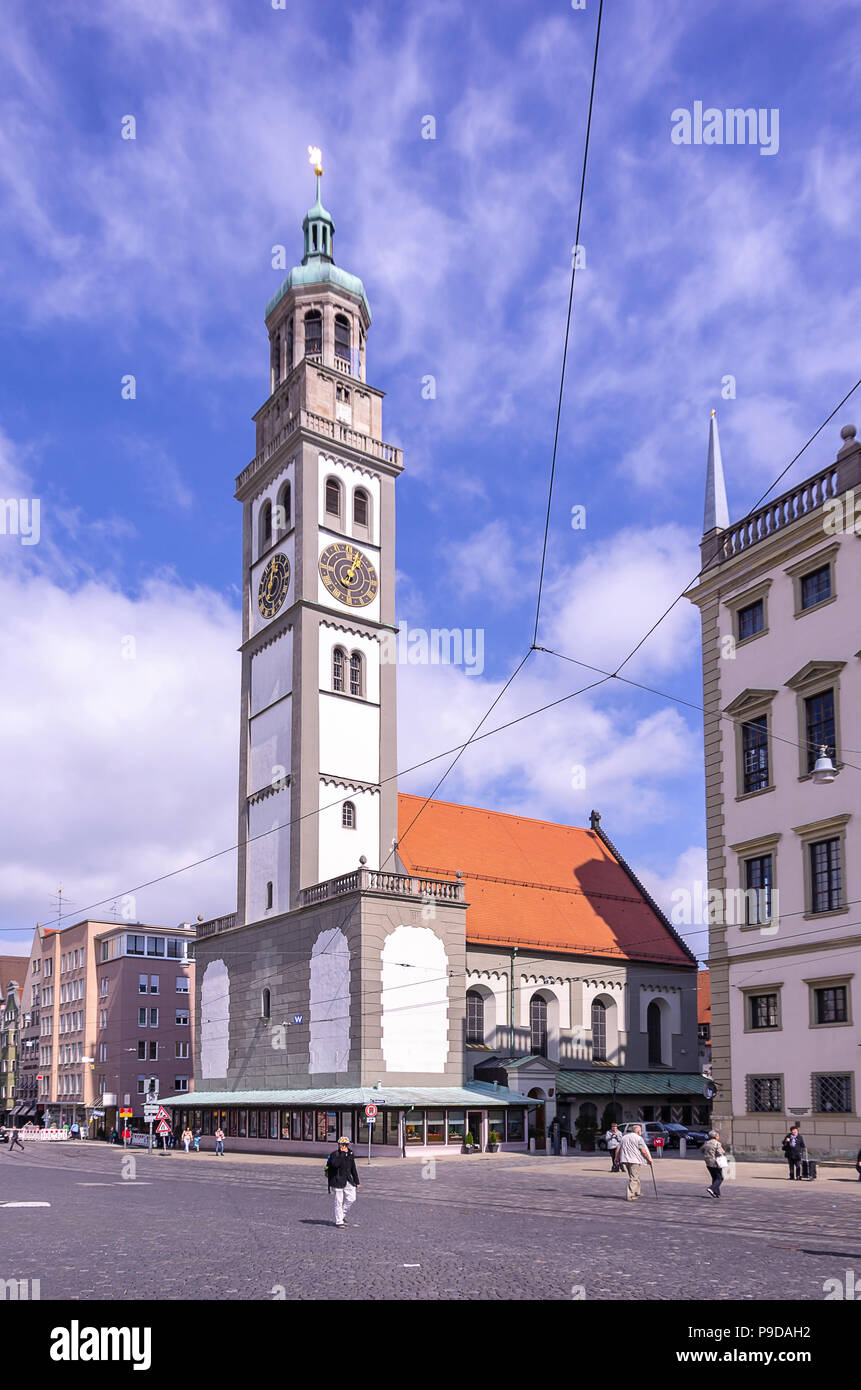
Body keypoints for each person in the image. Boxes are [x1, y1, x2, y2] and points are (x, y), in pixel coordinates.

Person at [326, 1135, 360, 1228]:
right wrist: (342, 1154)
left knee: (352, 1198)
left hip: (348, 1180)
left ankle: (342, 1215)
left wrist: (357, 1181)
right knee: (338, 1201)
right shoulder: (335, 1154)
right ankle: (339, 1221)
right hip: (337, 1181)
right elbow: (335, 1164)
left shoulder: (350, 1154)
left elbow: (353, 1168)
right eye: (342, 1144)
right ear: (338, 1145)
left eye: (345, 1144)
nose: (344, 1146)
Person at [615, 1123, 653, 1201]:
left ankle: (637, 1191)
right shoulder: (638, 1138)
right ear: (638, 1131)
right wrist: (649, 1159)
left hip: (625, 1159)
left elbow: (618, 1148)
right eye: (641, 1131)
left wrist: (616, 1157)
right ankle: (630, 1195)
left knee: (634, 1176)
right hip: (634, 1160)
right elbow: (643, 1150)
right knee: (634, 1177)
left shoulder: (624, 1137)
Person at [701, 1130, 726, 1198]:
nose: (718, 1137)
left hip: (708, 1162)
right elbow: (720, 1153)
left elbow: (702, 1150)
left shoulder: (706, 1143)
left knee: (714, 1177)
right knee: (720, 1178)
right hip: (715, 1162)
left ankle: (716, 1192)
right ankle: (711, 1188)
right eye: (718, 1136)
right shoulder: (717, 1143)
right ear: (715, 1136)